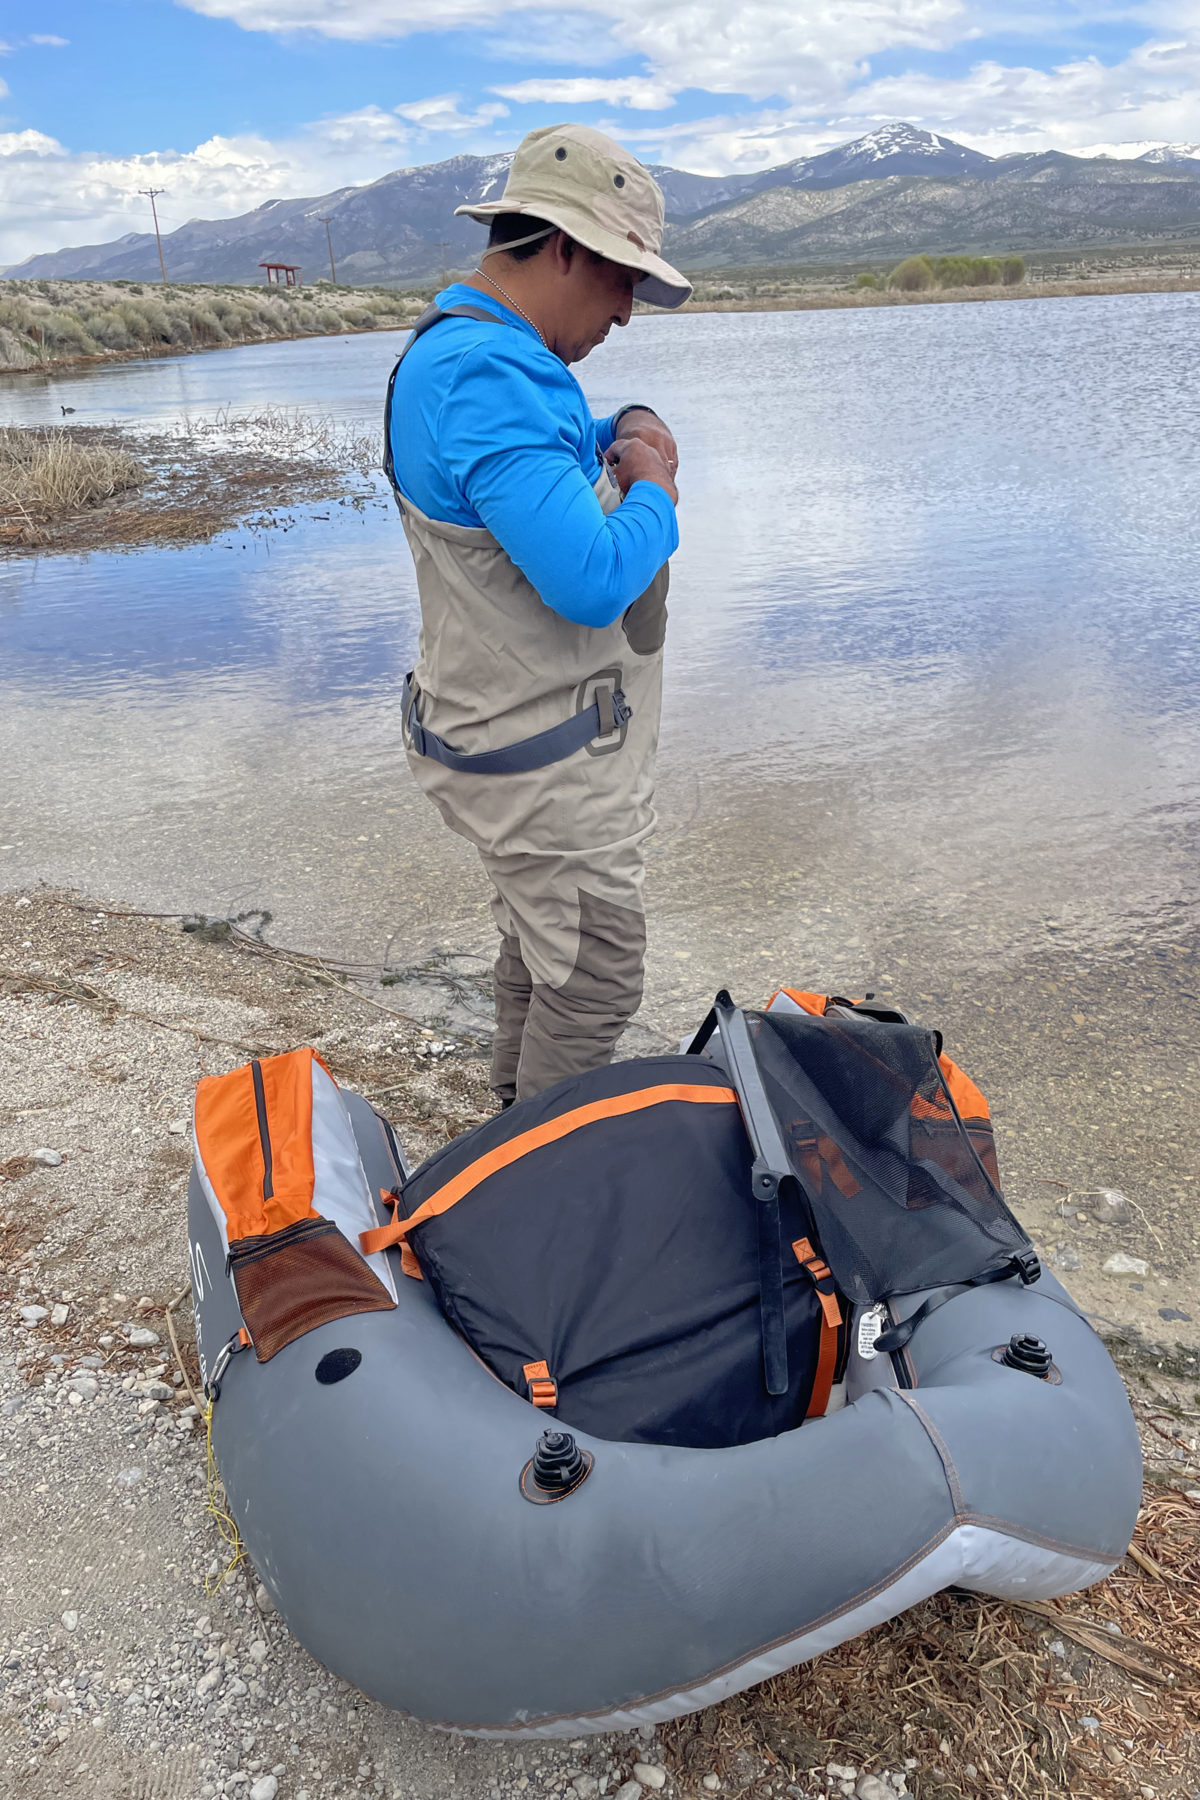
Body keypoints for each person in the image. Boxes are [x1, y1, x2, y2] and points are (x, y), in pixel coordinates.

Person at [384, 123, 691, 1106]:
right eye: (622, 282)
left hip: (500, 737)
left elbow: (527, 462)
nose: (628, 314)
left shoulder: (470, 358)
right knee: (594, 978)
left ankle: (499, 1151)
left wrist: (617, 425)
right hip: (541, 764)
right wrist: (656, 489)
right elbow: (593, 577)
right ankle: (524, 1206)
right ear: (561, 248)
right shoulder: (489, 377)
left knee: (539, 954)